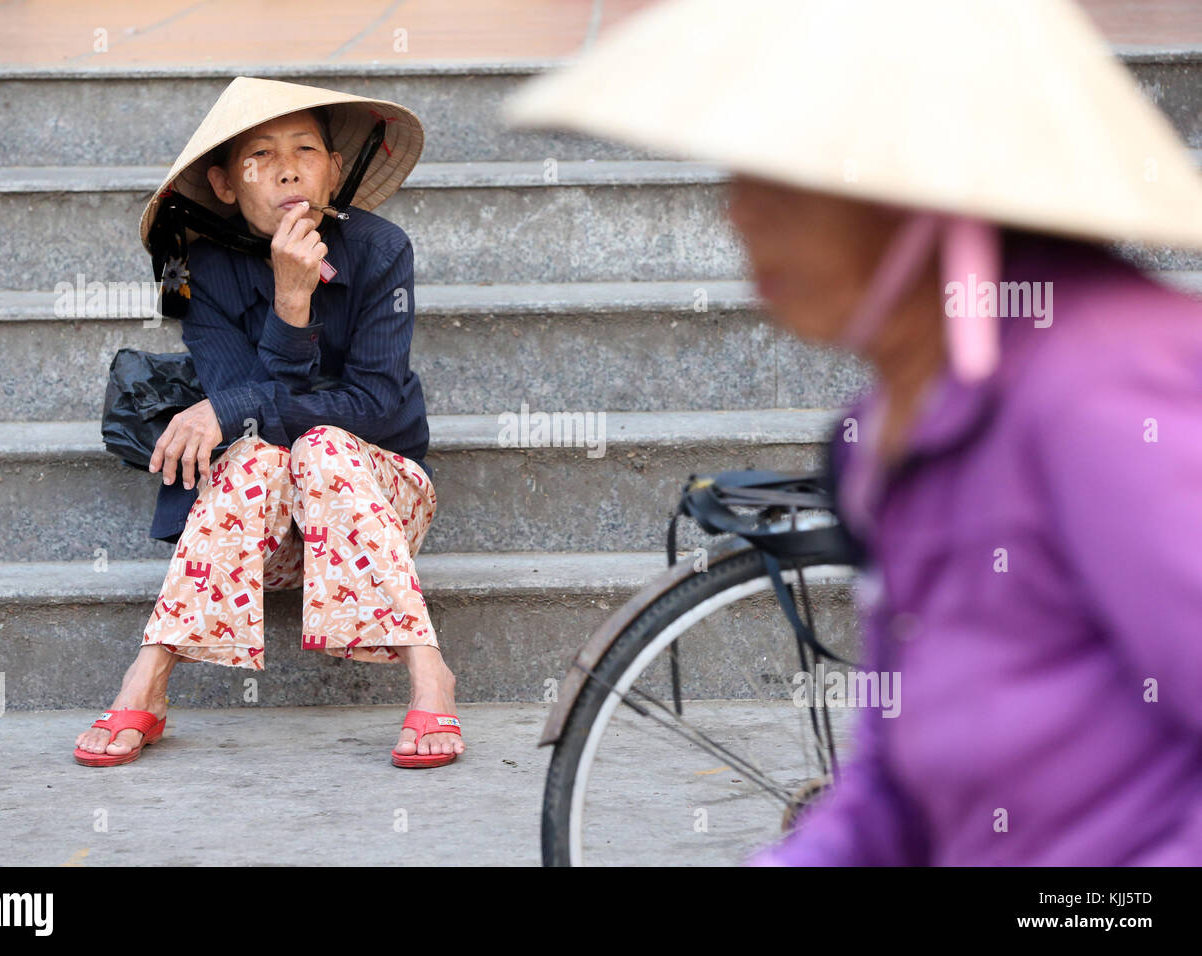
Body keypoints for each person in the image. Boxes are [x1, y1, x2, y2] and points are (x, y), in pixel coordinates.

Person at [504, 0, 1202, 863]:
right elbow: (893, 783)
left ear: (918, 192)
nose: (743, 213)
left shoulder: (1108, 392)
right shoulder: (889, 430)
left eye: (787, 176)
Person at [75, 77, 464, 769]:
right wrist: (290, 302)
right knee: (257, 456)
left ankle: (430, 672)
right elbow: (246, 425)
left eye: (307, 149)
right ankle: (152, 676)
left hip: (379, 505)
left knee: (323, 445)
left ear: (334, 170)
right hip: (268, 544)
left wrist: (230, 407)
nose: (288, 168)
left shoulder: (379, 250)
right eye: (261, 155)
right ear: (225, 184)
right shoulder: (205, 274)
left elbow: (373, 406)